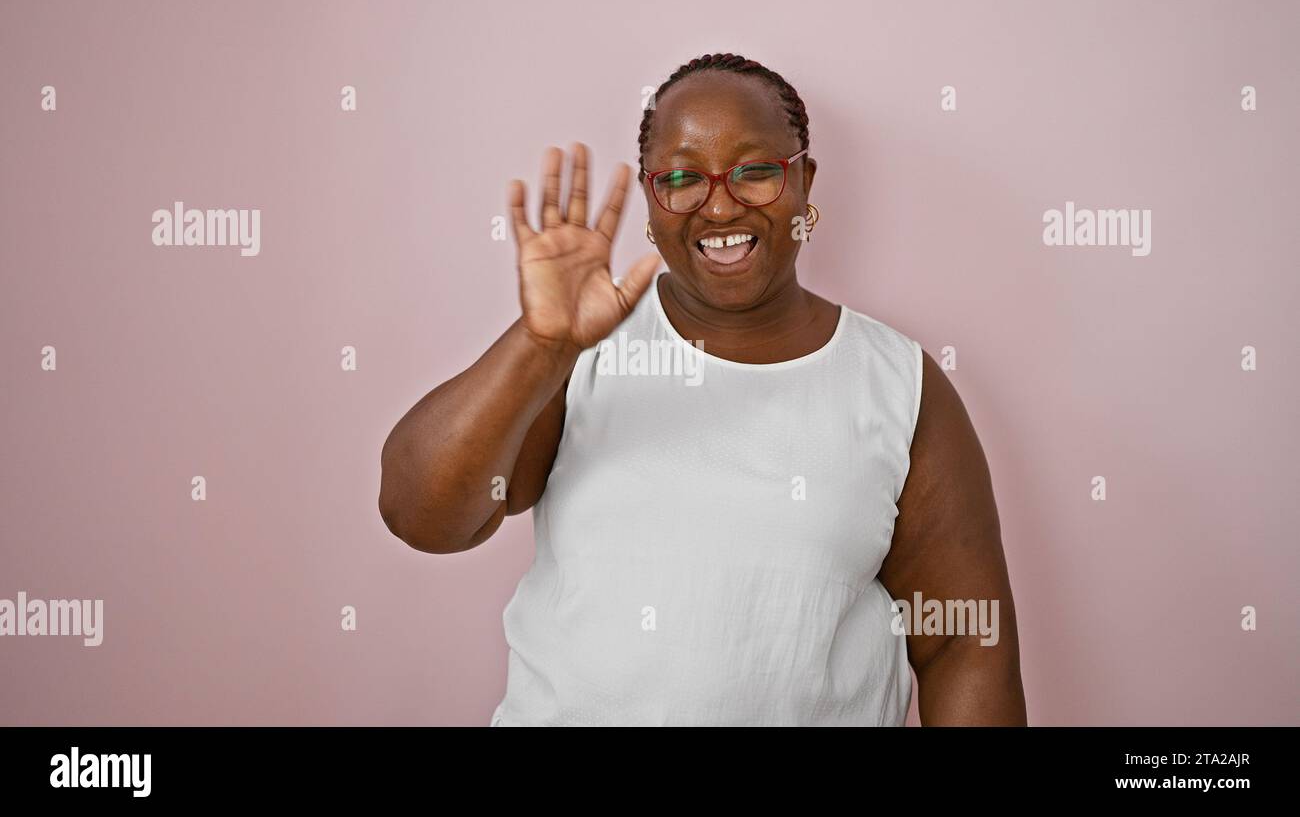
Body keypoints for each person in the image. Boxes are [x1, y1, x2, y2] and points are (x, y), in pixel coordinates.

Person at [379, 52, 1026, 726]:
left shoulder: (900, 385)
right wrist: (540, 346)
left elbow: (962, 643)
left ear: (804, 180)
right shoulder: (577, 353)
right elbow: (419, 514)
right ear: (653, 200)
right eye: (683, 178)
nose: (719, 204)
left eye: (754, 171)